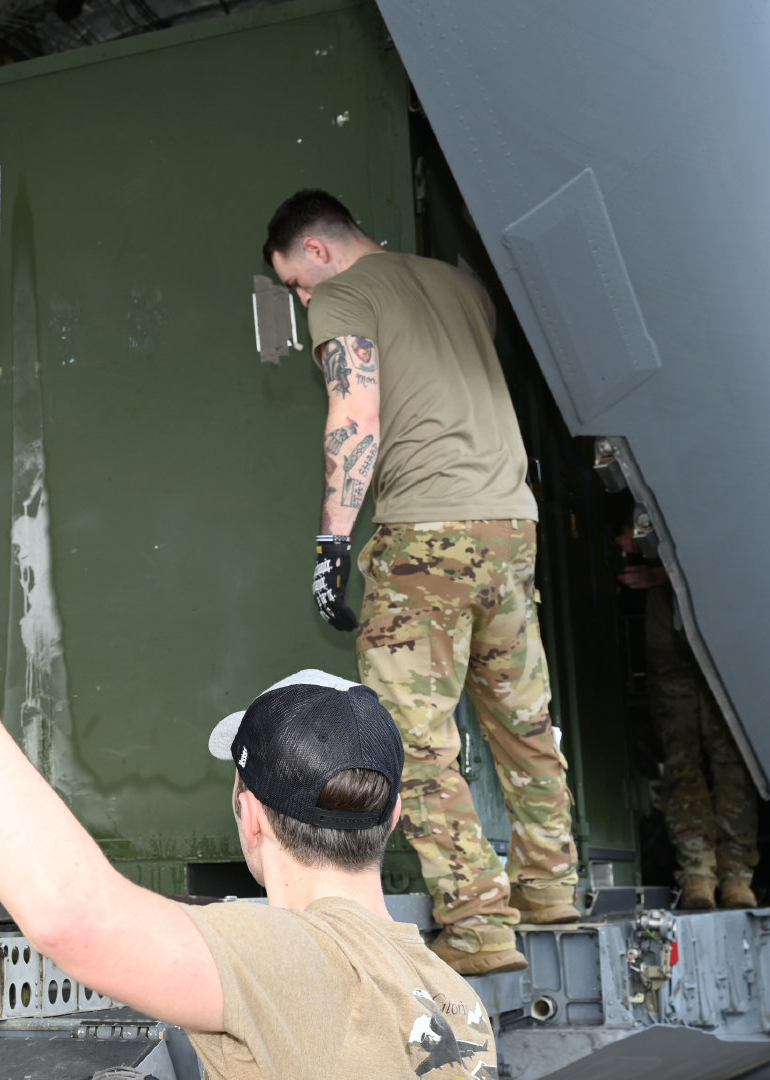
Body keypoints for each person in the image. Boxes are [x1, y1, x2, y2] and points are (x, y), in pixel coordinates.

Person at [0, 493, 498, 1080]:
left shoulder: (292, 963)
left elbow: (74, 918)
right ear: (393, 816)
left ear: (250, 817)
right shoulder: (452, 999)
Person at [262, 189, 579, 976]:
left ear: (318, 251)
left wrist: (332, 541)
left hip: (426, 533)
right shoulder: (460, 286)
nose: (303, 299)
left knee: (412, 736)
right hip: (509, 525)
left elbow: (355, 411)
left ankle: (475, 925)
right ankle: (550, 890)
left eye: (295, 282)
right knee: (523, 724)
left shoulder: (341, 294)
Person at [618, 534, 759, 910]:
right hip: (668, 641)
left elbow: (728, 555)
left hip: (721, 640)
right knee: (682, 762)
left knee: (732, 760)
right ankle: (698, 872)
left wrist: (660, 575)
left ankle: (737, 875)